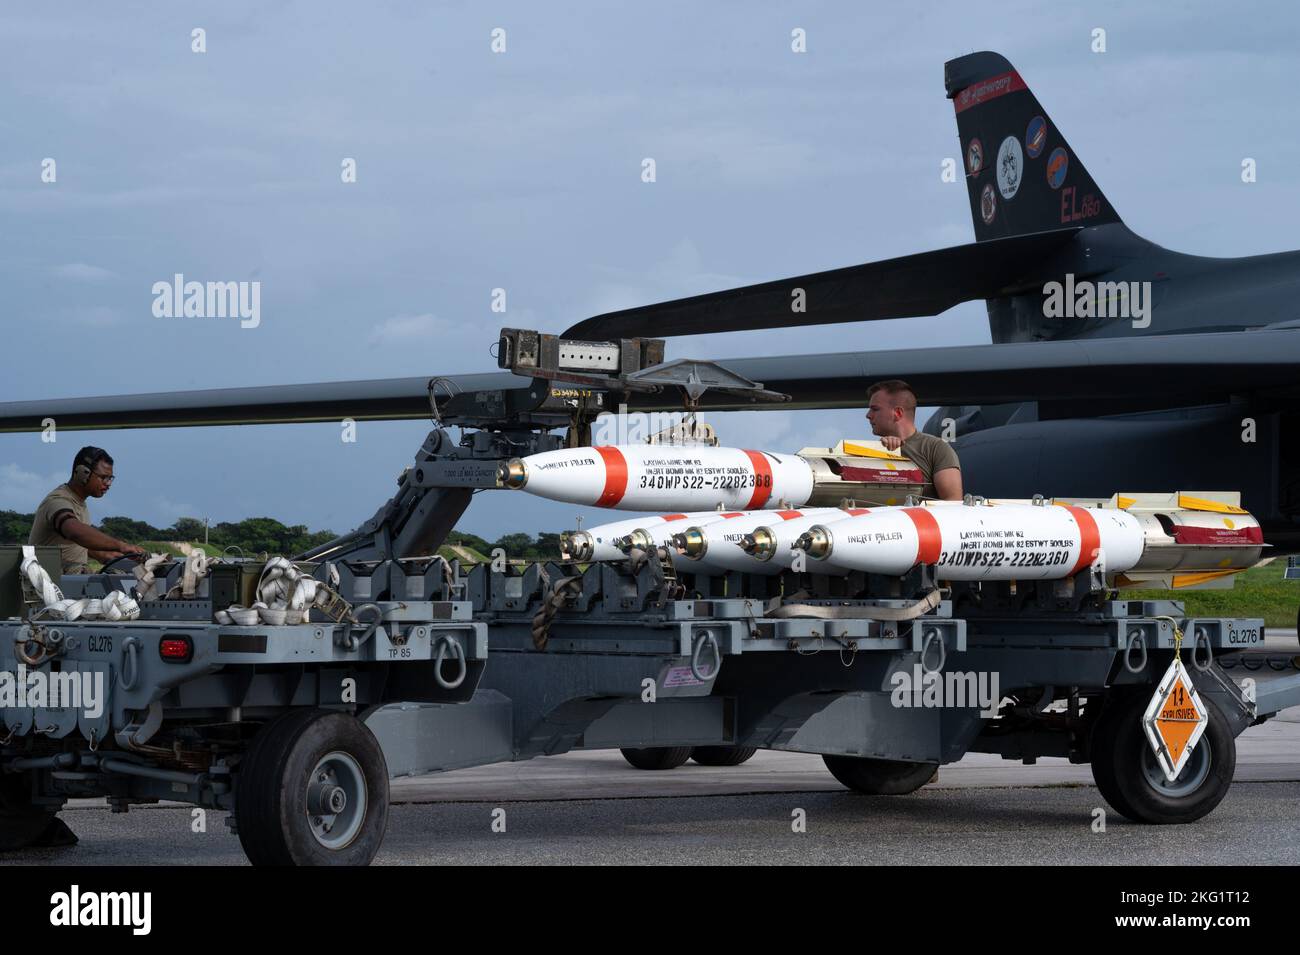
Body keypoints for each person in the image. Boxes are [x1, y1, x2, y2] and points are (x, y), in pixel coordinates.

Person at [29, 446, 145, 574]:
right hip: (51, 585)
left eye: (110, 478)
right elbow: (74, 532)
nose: (108, 484)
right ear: (82, 473)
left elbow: (74, 544)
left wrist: (104, 555)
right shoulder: (57, 501)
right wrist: (121, 545)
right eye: (103, 477)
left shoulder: (80, 503)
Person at [865, 380, 963, 501]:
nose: (868, 415)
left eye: (875, 409)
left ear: (897, 413)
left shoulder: (935, 449)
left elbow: (953, 503)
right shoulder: (866, 452)